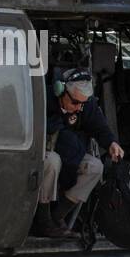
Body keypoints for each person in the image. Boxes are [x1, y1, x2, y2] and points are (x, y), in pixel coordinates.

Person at [32, 68, 124, 239]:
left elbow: (99, 125)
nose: (78, 108)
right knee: (53, 161)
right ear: (61, 91)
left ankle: (57, 217)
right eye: (75, 103)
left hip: (72, 153)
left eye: (82, 104)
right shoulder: (43, 100)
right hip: (43, 152)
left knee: (95, 167)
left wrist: (111, 143)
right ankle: (42, 221)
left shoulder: (83, 105)